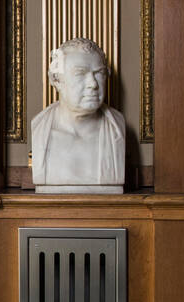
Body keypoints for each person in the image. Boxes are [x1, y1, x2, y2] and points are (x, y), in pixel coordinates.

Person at [30, 37, 125, 191]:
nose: (93, 84)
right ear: (57, 80)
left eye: (99, 73)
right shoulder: (39, 128)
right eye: (80, 74)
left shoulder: (117, 128)